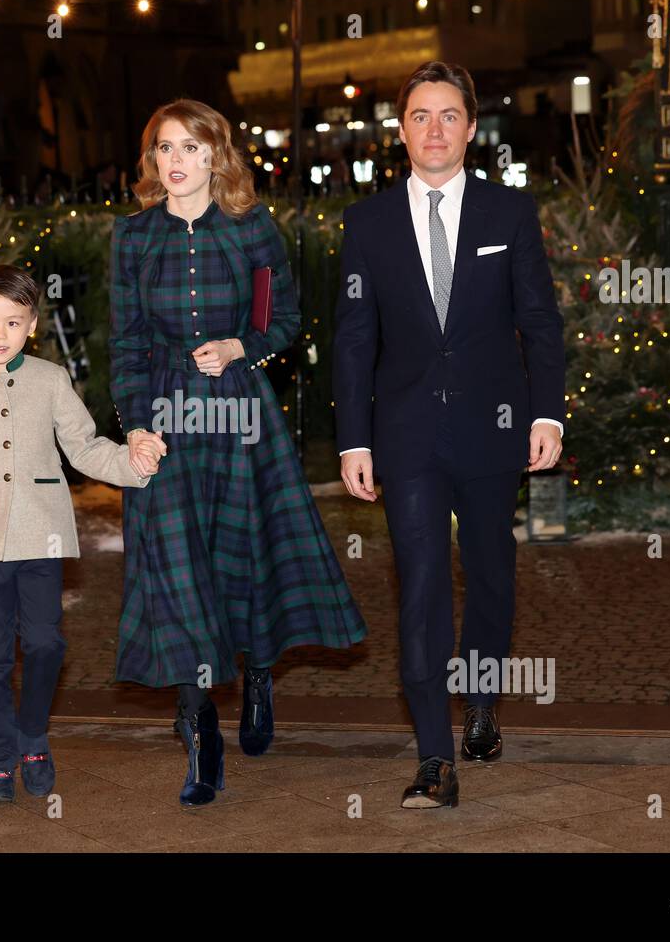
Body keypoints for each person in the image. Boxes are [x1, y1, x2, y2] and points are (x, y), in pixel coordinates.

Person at [109, 98, 367, 808]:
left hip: (239, 415)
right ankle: (198, 729)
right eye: (164, 148)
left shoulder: (253, 229)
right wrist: (134, 426)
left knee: (243, 557)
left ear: (216, 155)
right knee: (174, 567)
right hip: (165, 415)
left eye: (191, 147)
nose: (176, 161)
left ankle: (256, 675)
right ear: (152, 160)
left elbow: (284, 321)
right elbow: (125, 343)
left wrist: (239, 347)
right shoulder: (133, 238)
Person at [334, 62, 566, 809]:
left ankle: (483, 699)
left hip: (494, 427)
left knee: (492, 575)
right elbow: (352, 339)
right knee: (423, 582)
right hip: (405, 437)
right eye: (420, 115)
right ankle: (434, 756)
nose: (434, 129)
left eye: (449, 115)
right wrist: (352, 439)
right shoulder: (367, 223)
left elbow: (540, 323)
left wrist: (546, 413)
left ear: (471, 127)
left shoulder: (510, 214)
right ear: (401, 128)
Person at [0, 265, 158, 802]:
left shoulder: (50, 380)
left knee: (47, 643)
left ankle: (33, 736)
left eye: (12, 322)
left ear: (31, 327)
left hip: (42, 536)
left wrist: (133, 464)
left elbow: (84, 445)